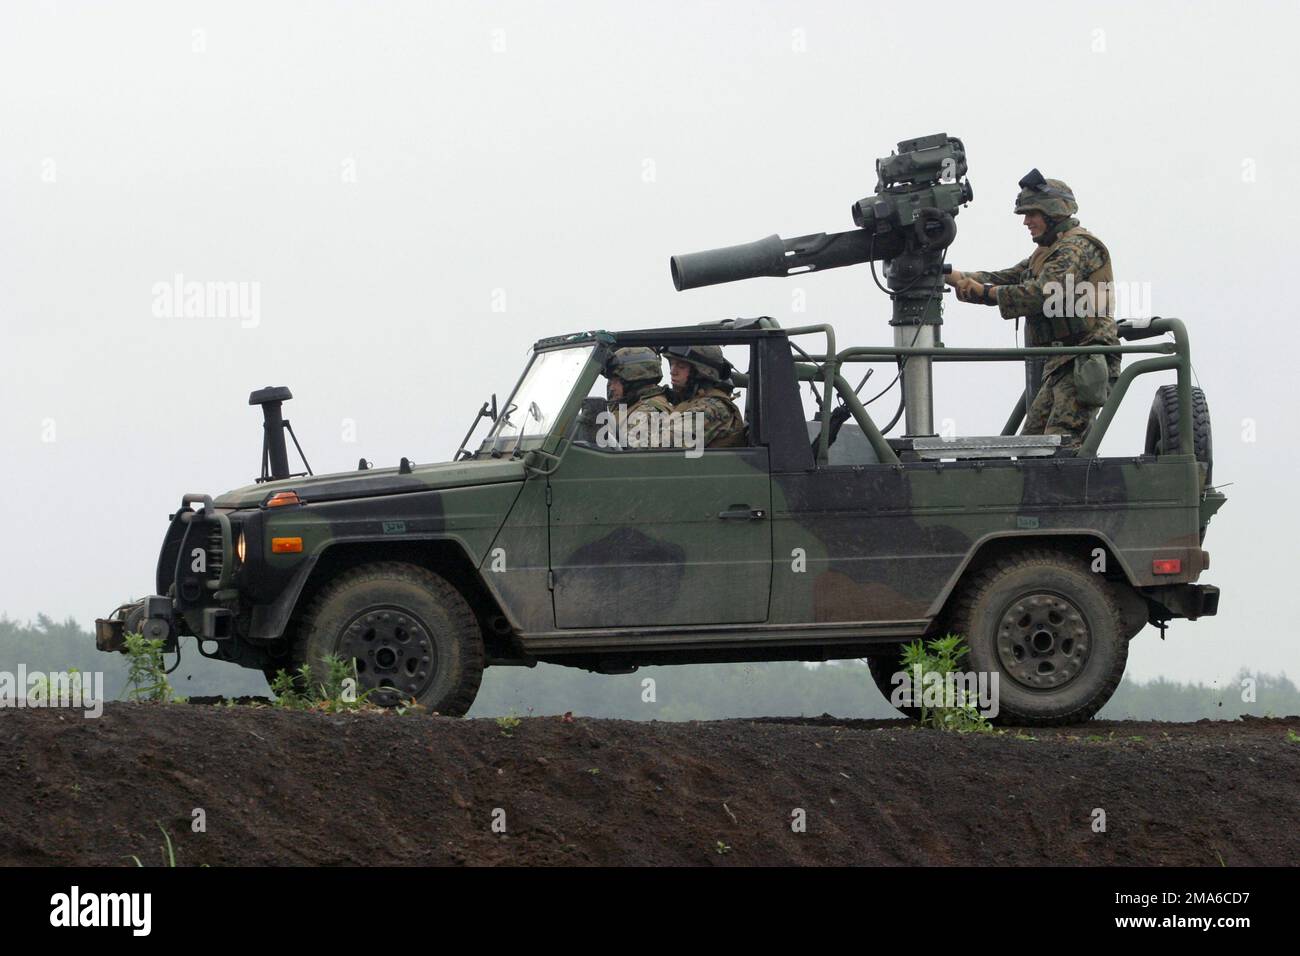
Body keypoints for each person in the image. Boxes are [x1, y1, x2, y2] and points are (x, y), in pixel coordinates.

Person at [946, 169, 1120, 449]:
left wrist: (987, 293)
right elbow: (1007, 277)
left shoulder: (1076, 248)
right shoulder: (1046, 252)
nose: (1026, 222)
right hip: (1060, 362)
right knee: (1032, 445)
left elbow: (1042, 292)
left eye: (1032, 214)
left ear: (1052, 212)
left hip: (1083, 358)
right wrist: (952, 275)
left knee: (1059, 446)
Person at [663, 345, 746, 449]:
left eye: (681, 366)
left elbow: (664, 446)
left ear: (701, 372)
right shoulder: (695, 401)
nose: (672, 371)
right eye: (672, 364)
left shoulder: (711, 408)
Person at [602, 347, 672, 448]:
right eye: (611, 381)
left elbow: (629, 457)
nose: (612, 387)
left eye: (616, 381)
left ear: (634, 380)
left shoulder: (647, 411)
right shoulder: (632, 405)